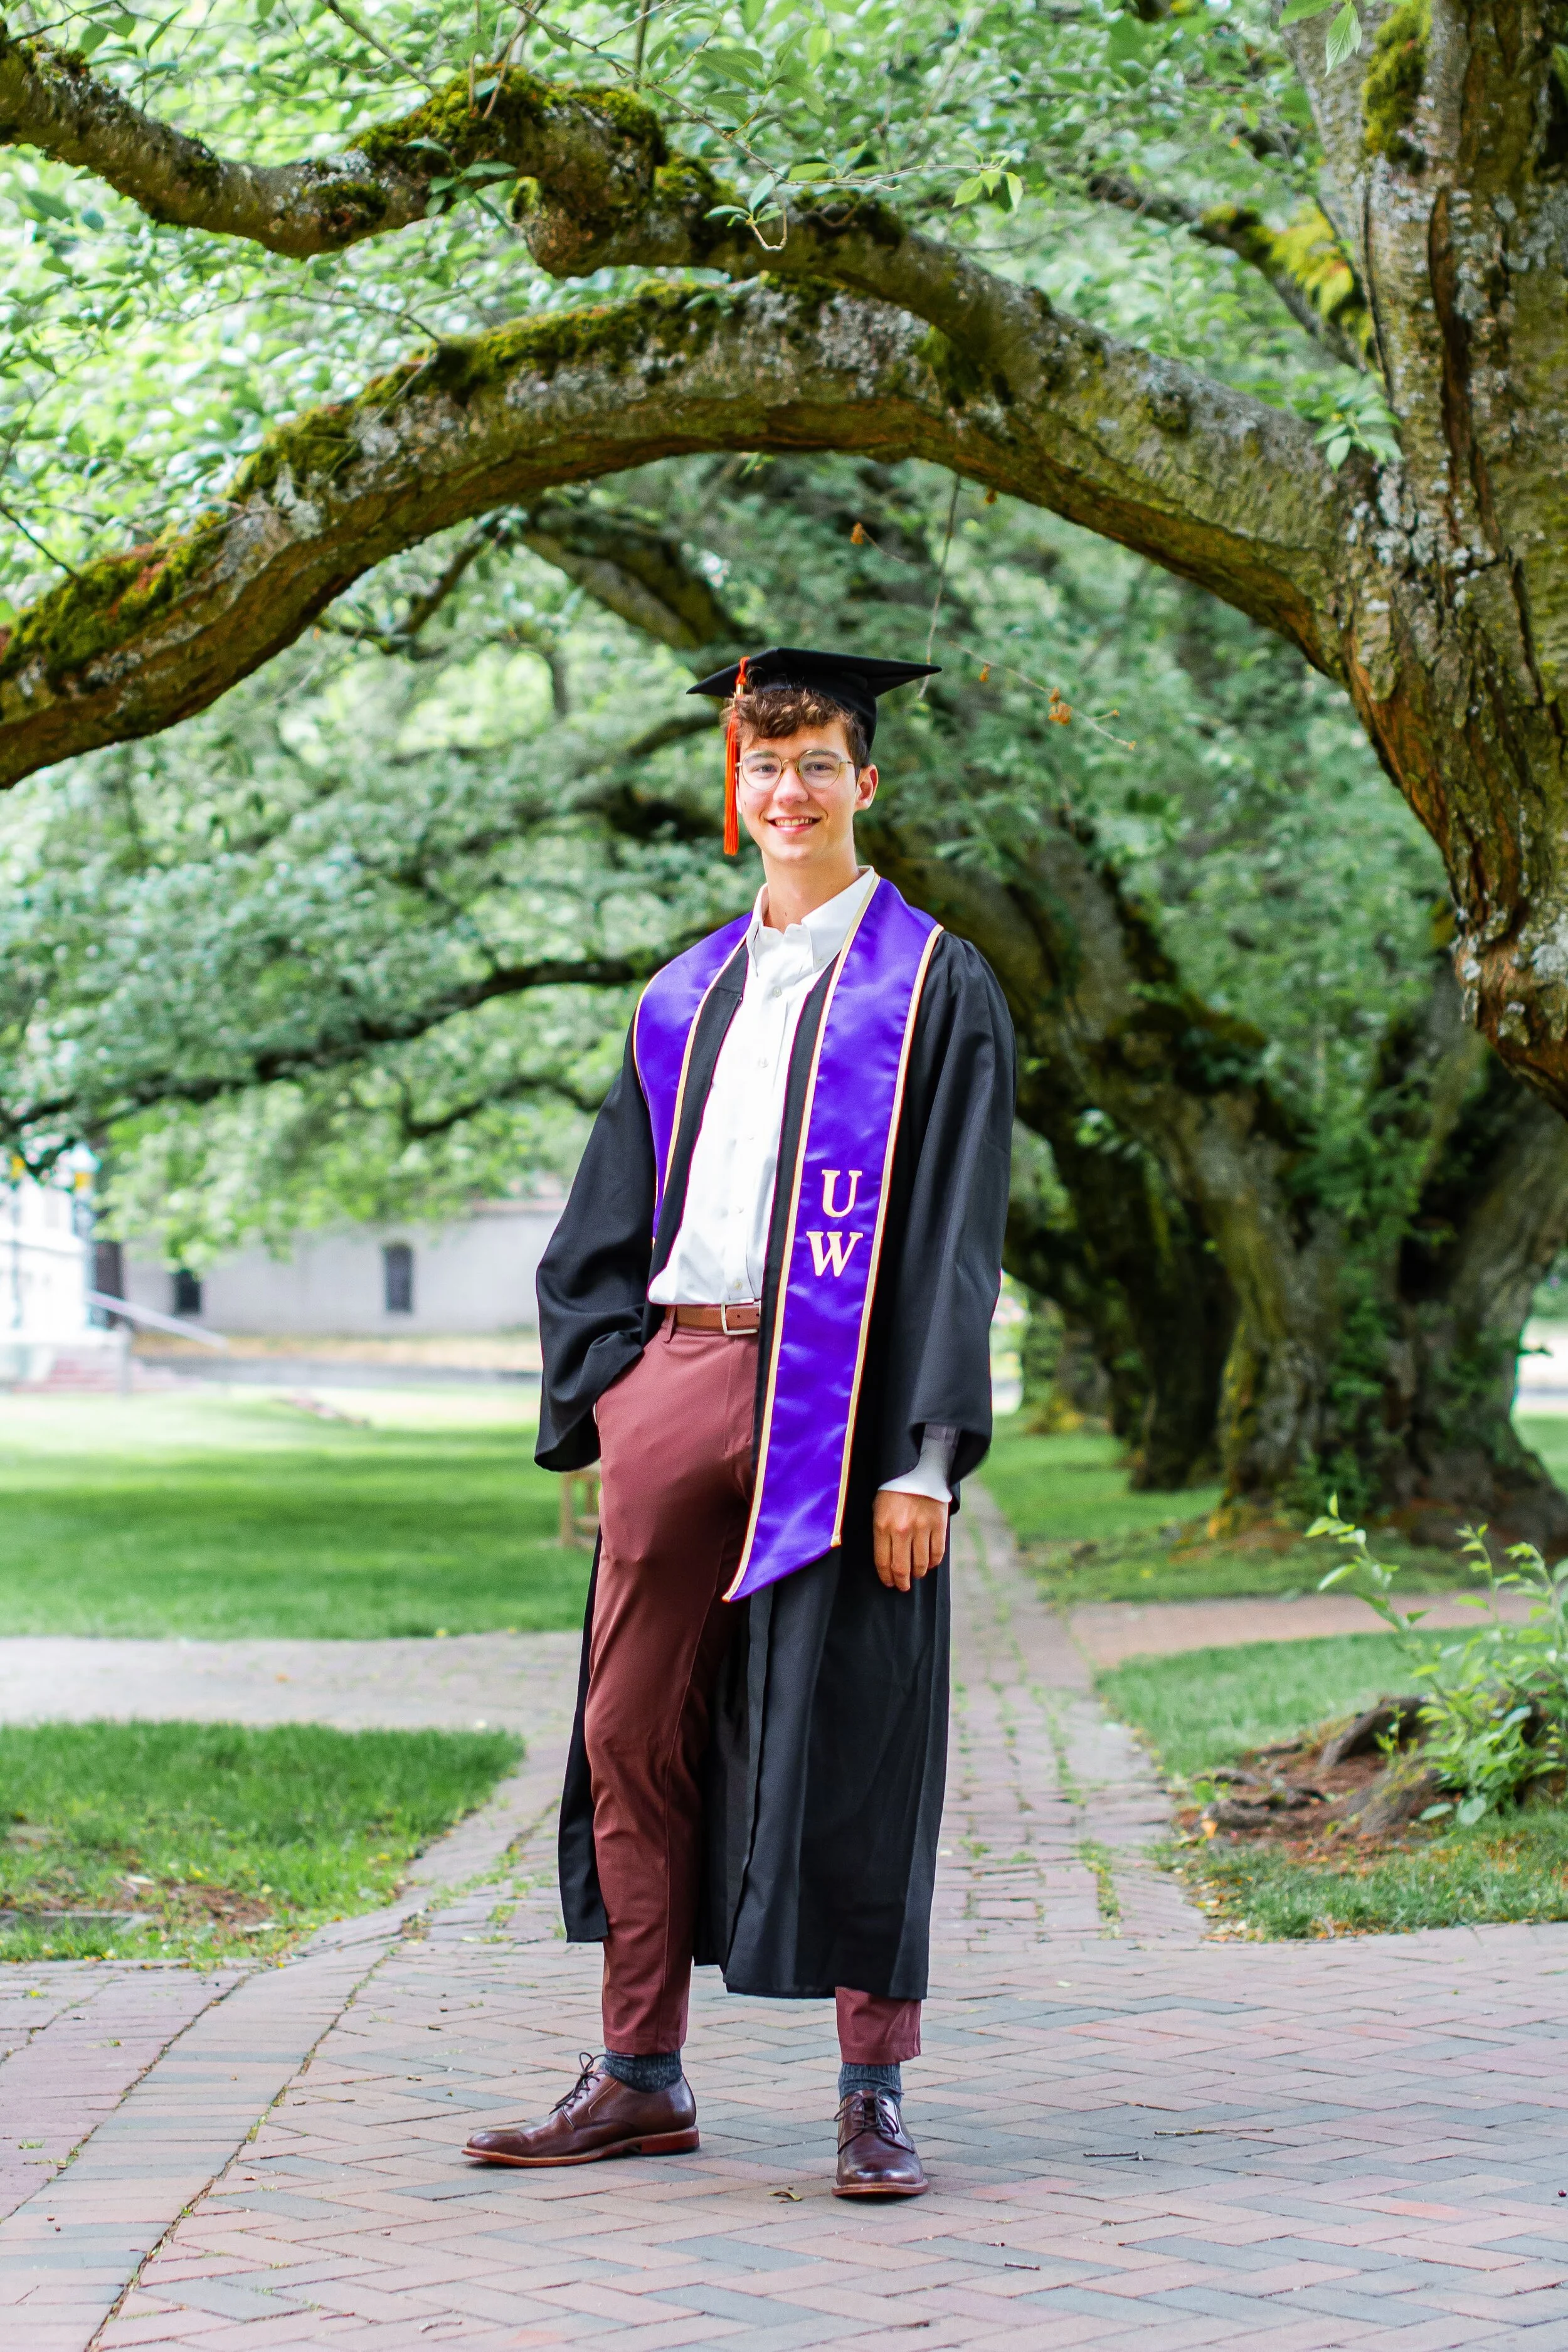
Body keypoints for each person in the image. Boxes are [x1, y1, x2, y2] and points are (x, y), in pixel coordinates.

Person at [465, 646, 1015, 2196]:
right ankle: (637, 2073)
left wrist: (924, 1459)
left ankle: (870, 2094)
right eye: (762, 766)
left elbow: (953, 1241)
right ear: (738, 787)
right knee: (625, 1731)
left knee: (857, 1728)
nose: (787, 791)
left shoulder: (935, 986)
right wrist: (613, 1391)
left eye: (815, 763)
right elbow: (604, 1211)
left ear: (865, 782)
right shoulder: (682, 993)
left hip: (842, 1410)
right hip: (680, 1378)